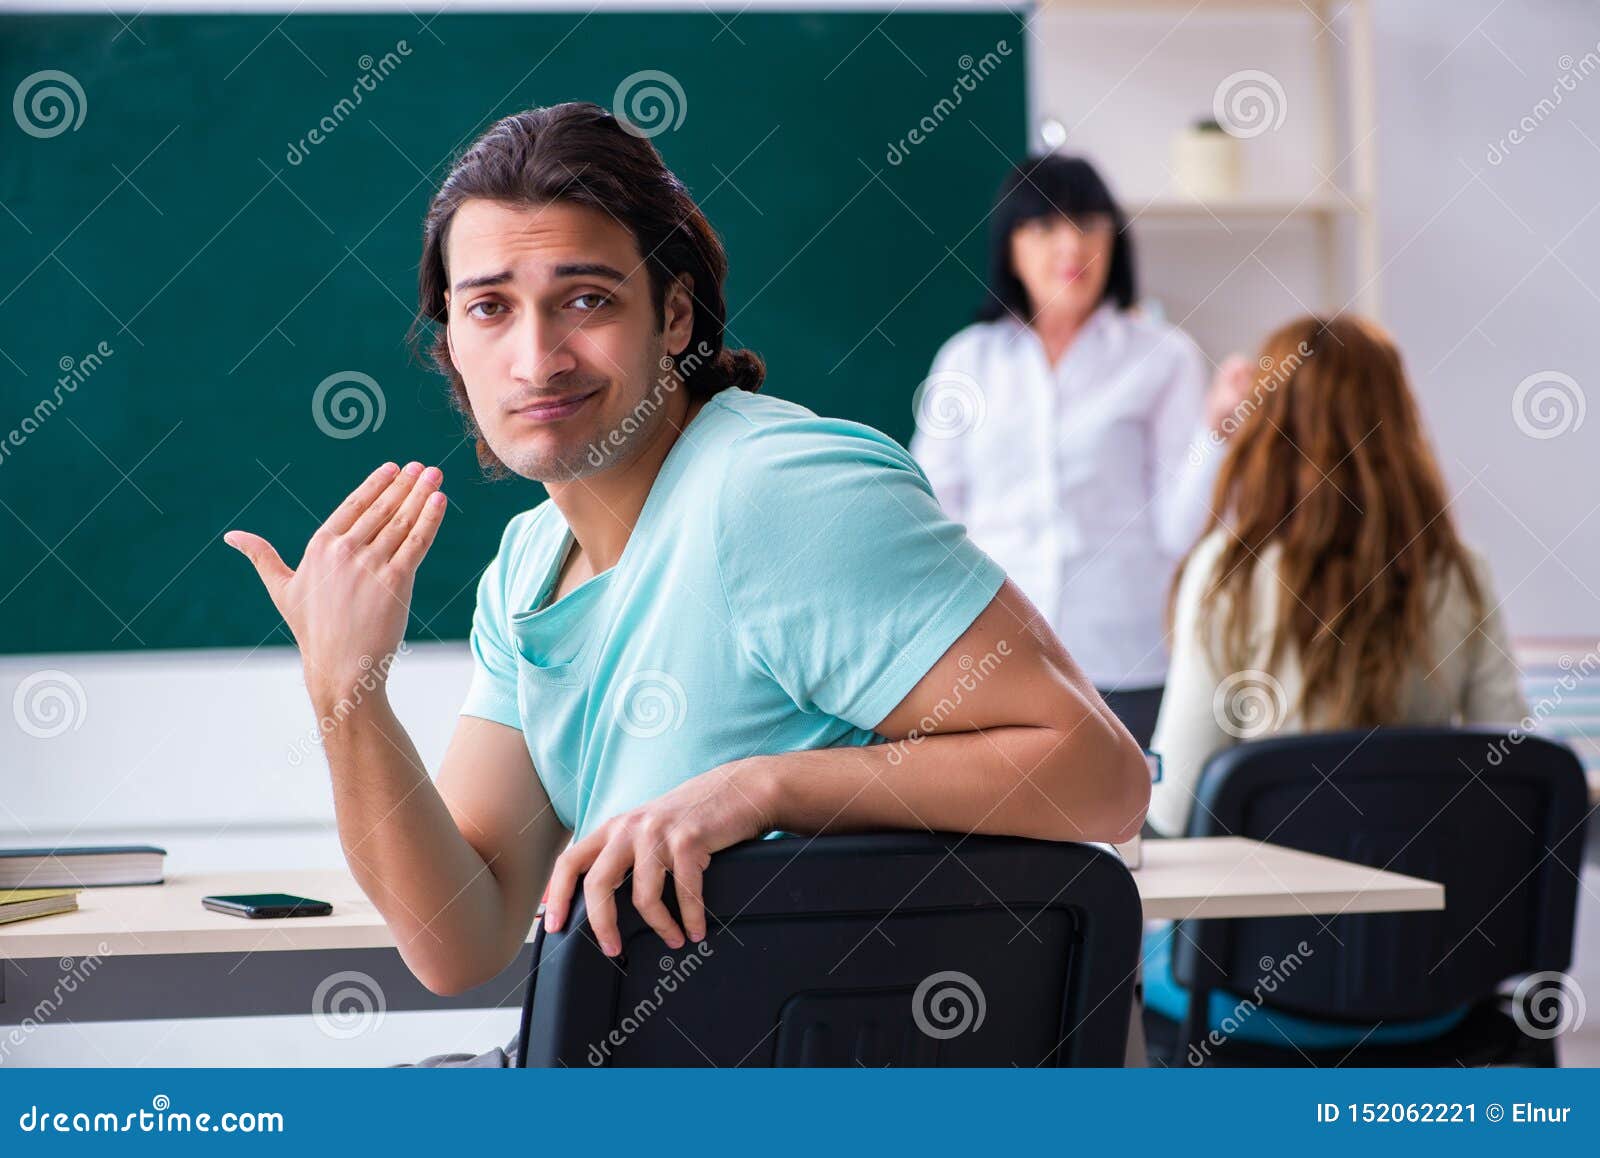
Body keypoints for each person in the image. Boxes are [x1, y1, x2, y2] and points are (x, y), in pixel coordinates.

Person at [224, 103, 1150, 1066]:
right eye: (489, 307)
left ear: (673, 315)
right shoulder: (528, 566)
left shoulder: (775, 489)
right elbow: (461, 938)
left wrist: (764, 788)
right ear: (450, 339)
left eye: (586, 299)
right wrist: (345, 693)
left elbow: (1104, 777)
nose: (537, 357)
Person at [1141, 314, 1529, 1050]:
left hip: (1252, 991)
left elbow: (1176, 795)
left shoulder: (1227, 577)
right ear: (1400, 426)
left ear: (1266, 426)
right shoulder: (1458, 570)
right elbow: (1509, 766)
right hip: (1433, 986)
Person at [911, 155, 1250, 748]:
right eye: (1044, 227)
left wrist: (1217, 433)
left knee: (1136, 838)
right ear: (1010, 246)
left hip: (1126, 657)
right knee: (1005, 839)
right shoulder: (967, 360)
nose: (1071, 246)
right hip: (994, 666)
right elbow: (934, 517)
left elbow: (1179, 531)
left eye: (1089, 224)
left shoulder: (1162, 355)